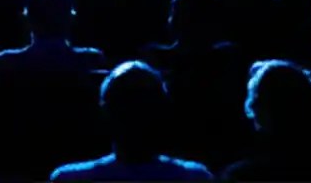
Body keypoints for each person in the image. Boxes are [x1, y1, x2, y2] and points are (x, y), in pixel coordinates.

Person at [50, 61, 213, 181]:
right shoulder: (193, 177)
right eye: (126, 103)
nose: (134, 113)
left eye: (143, 104)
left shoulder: (71, 178)